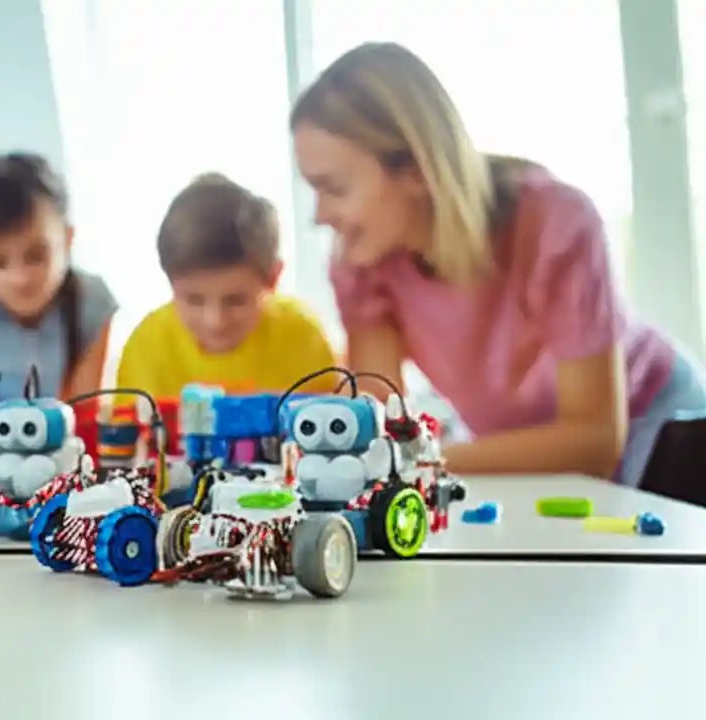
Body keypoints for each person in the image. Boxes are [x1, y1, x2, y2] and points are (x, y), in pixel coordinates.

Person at [289, 41, 706, 486]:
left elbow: (594, 443)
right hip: (524, 450)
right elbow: (376, 428)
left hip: (661, 427)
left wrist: (421, 460)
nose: (319, 216)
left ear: (415, 168)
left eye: (333, 188)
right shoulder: (362, 262)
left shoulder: (554, 222)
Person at [115, 173, 339, 401]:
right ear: (170, 282)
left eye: (235, 300)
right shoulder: (147, 347)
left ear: (272, 278)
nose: (215, 321)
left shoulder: (302, 337)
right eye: (193, 300)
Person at [0, 153, 117, 441]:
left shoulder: (92, 301)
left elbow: (81, 422)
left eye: (37, 256)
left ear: (68, 238)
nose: (20, 277)